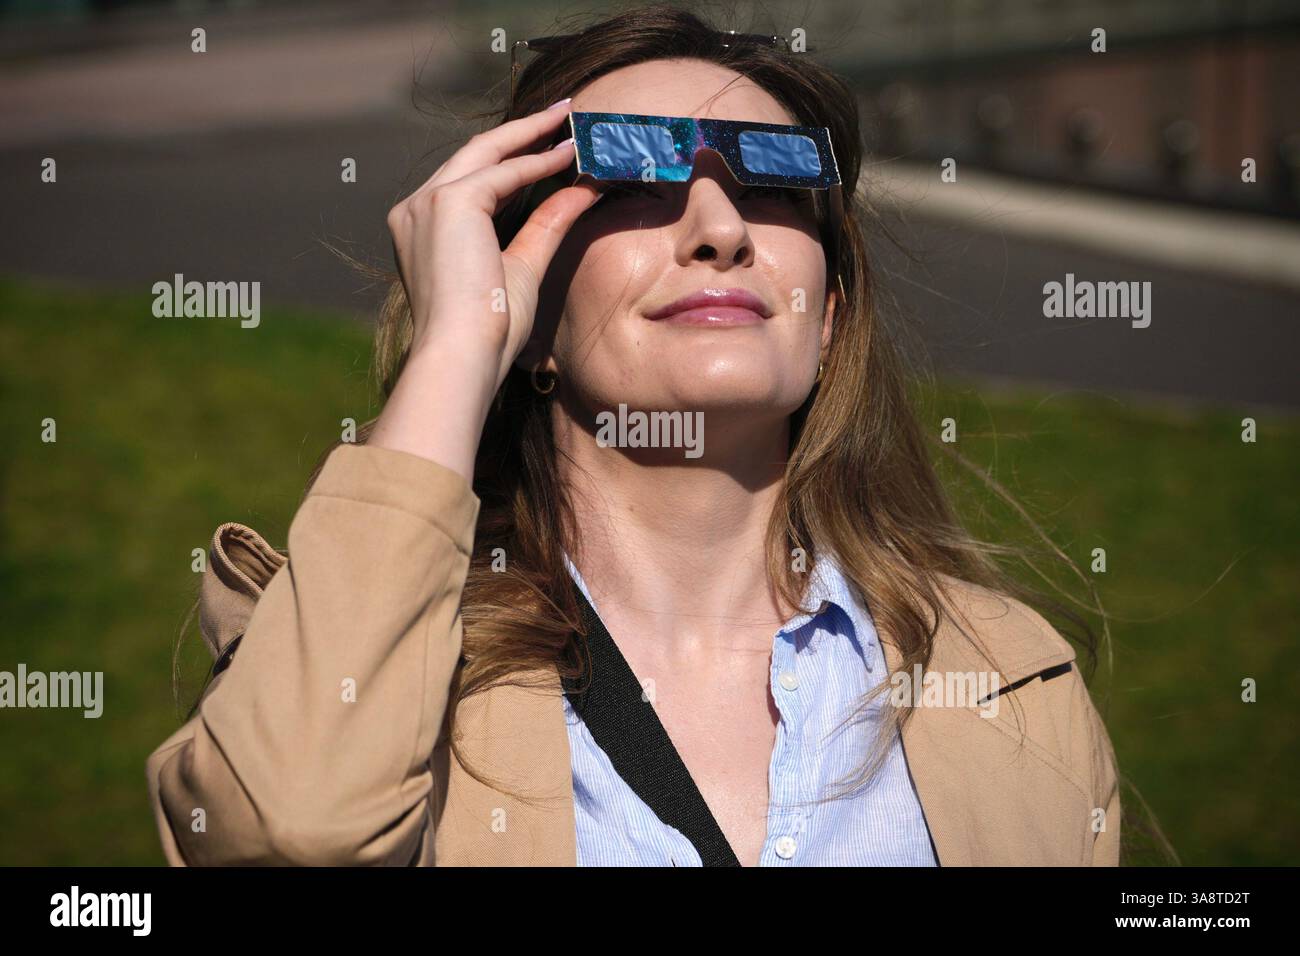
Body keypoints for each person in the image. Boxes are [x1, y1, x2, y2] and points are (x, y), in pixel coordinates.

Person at [147, 5, 1120, 866]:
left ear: (827, 314)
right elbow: (281, 834)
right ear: (524, 302)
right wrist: (455, 345)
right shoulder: (400, 672)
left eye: (774, 182)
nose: (720, 226)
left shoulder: (1008, 676)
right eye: (631, 170)